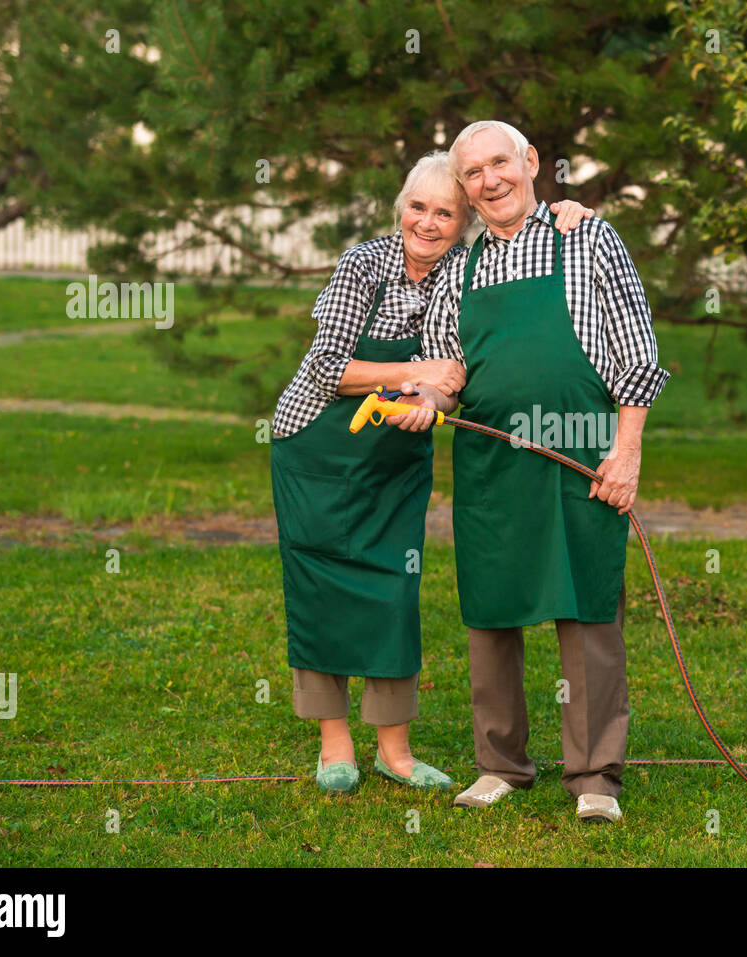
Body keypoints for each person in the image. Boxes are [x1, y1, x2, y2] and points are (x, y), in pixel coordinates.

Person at [270, 149, 594, 795]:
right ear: (400, 209)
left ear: (464, 220)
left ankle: (395, 749)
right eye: (417, 207)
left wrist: (570, 209)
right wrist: (411, 372)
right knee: (322, 586)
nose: (428, 222)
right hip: (318, 446)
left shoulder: (464, 272)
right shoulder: (364, 263)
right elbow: (327, 368)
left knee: (394, 590)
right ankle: (335, 743)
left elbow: (455, 362)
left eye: (445, 212)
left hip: (396, 458)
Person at [388, 121, 669, 823]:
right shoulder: (462, 265)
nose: (490, 180)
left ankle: (595, 773)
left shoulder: (588, 238)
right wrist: (425, 400)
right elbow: (447, 370)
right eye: (473, 172)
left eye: (499, 163)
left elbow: (637, 352)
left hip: (580, 453)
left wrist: (626, 451)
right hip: (491, 463)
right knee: (491, 610)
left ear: (531, 162)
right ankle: (501, 763)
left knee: (589, 609)